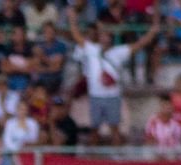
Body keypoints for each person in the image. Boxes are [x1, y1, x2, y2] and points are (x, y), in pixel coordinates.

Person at [65, 7, 160, 145]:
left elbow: (139, 45)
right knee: (94, 130)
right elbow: (76, 36)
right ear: (99, 38)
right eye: (103, 36)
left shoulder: (118, 52)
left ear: (111, 39)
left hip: (113, 96)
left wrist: (152, 31)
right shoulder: (92, 49)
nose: (105, 39)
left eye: (108, 36)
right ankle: (93, 157)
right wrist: (72, 20)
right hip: (96, 95)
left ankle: (116, 156)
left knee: (115, 129)